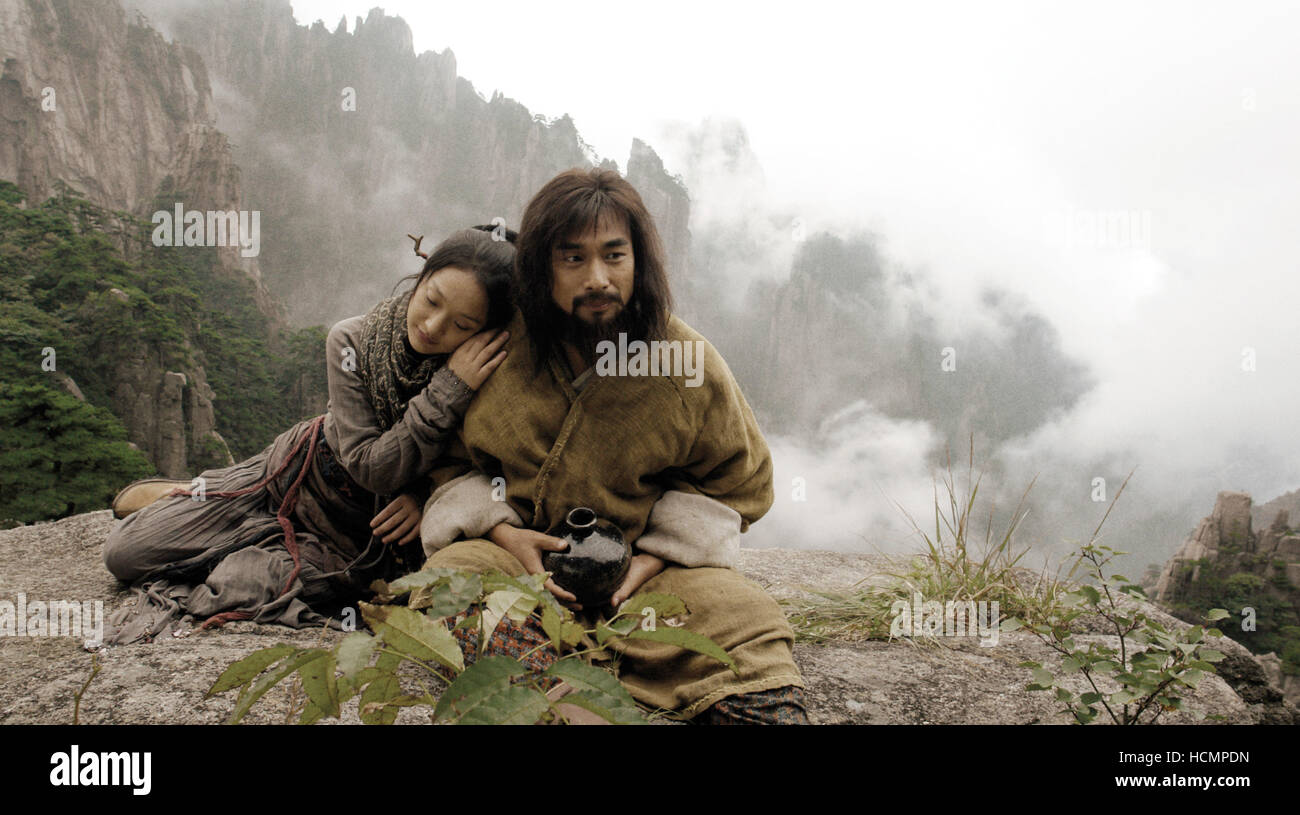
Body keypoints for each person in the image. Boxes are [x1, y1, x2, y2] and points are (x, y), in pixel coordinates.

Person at [418, 169, 809, 724]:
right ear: (542, 266)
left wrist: (655, 557)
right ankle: (558, 700)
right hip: (514, 564)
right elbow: (449, 461)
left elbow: (740, 483)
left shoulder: (685, 361)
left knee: (748, 626)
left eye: (614, 255)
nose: (597, 278)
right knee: (459, 586)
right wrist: (504, 532)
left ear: (638, 261)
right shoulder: (499, 345)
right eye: (572, 258)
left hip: (649, 581)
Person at [100, 225, 514, 645]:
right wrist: (446, 392)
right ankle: (203, 495)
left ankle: (213, 522)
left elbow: (481, 464)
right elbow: (369, 466)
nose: (433, 326)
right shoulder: (353, 340)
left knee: (235, 583)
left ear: (486, 332)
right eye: (431, 300)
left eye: (462, 324)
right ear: (421, 277)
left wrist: (428, 495)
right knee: (125, 554)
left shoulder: (486, 376)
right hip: (290, 477)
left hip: (357, 537)